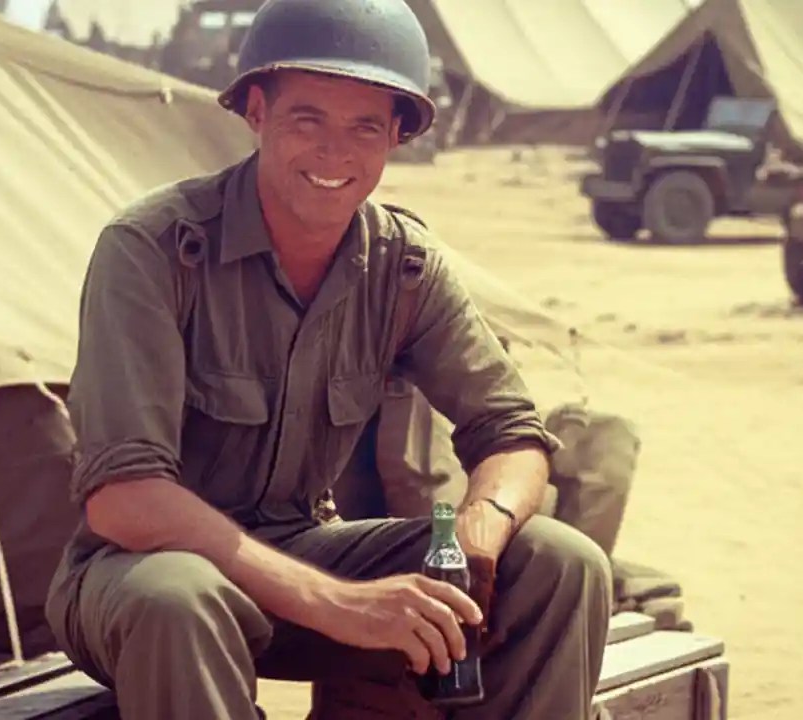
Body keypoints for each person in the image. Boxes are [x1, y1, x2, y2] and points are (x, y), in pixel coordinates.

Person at [42, 2, 612, 719]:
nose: (334, 153)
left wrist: (479, 535)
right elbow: (125, 500)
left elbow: (513, 434)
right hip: (140, 580)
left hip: (308, 551)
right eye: (307, 119)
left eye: (365, 126)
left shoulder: (403, 267)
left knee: (563, 565)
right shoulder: (155, 250)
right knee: (180, 598)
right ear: (255, 111)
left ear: (397, 136)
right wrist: (341, 604)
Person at [333, 338, 689, 632]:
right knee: (584, 564)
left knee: (607, 437)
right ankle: (587, 591)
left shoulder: (463, 373)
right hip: (457, 542)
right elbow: (428, 500)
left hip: (495, 512)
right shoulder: (415, 388)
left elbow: (510, 446)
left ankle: (596, 586)